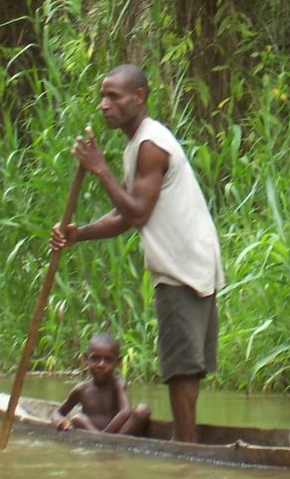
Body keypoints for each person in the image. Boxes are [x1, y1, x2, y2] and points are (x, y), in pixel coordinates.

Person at [50, 63, 225, 443]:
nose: (103, 105)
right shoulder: (138, 145)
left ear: (139, 97)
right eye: (102, 96)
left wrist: (100, 170)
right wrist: (78, 234)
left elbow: (137, 212)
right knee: (186, 369)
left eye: (113, 96)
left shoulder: (150, 145)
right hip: (191, 262)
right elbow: (124, 216)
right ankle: (187, 441)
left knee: (182, 369)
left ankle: (185, 449)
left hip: (182, 266)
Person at [52, 332, 152, 435]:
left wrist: (104, 435)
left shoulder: (117, 384)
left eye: (108, 360)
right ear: (86, 359)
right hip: (91, 432)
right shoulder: (81, 390)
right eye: (95, 358)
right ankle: (107, 441)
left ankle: (108, 441)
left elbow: (125, 411)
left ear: (118, 362)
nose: (101, 364)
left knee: (142, 410)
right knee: (78, 419)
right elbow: (58, 412)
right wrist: (59, 420)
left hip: (118, 434)